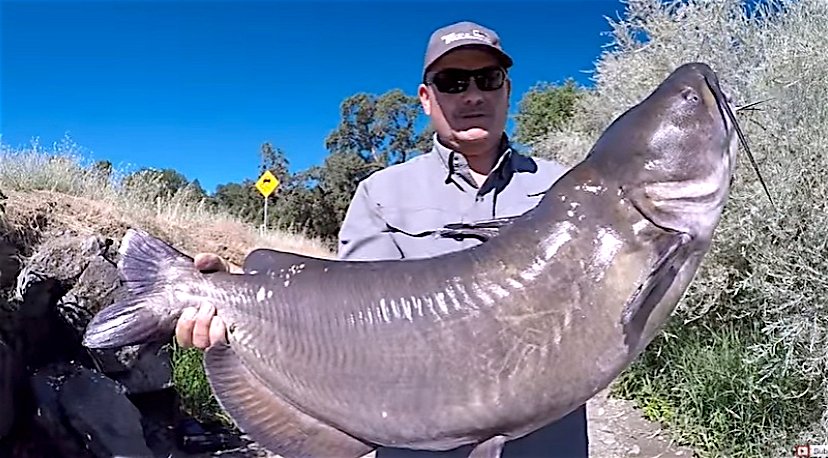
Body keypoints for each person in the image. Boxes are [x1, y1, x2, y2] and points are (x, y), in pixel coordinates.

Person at [175, 20, 588, 458]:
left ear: (507, 90)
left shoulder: (570, 191)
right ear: (427, 99)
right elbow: (349, 326)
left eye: (487, 79)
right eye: (453, 81)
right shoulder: (381, 193)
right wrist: (233, 298)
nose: (472, 95)